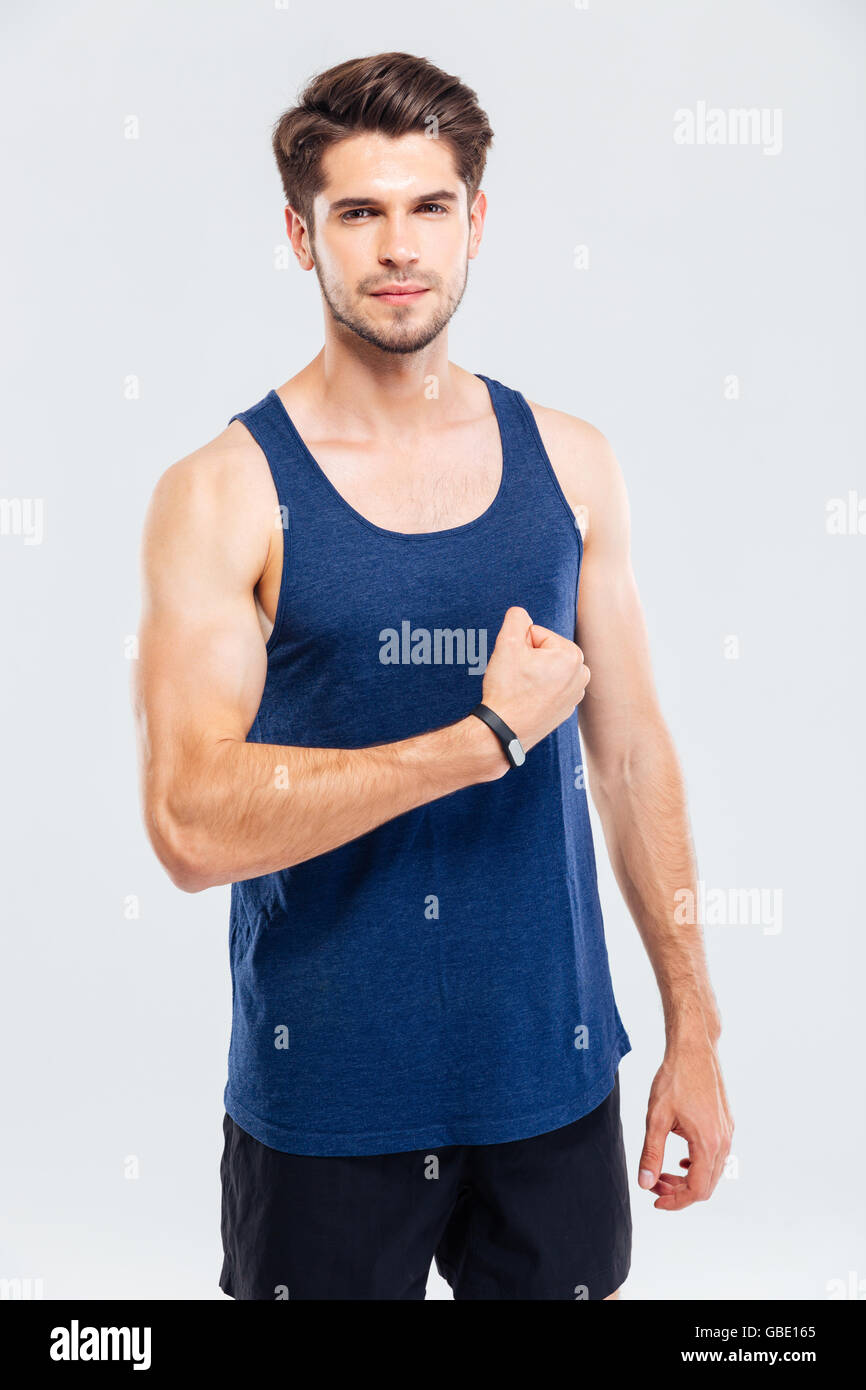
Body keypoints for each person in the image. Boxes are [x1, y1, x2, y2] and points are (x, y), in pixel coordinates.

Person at [132, 51, 733, 1301]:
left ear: (475, 222)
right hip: (326, 1101)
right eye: (357, 212)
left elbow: (628, 758)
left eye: (427, 207)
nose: (396, 246)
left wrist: (695, 1027)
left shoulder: (570, 463)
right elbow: (188, 826)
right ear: (301, 235)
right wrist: (483, 738)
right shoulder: (224, 492)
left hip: (551, 1081)